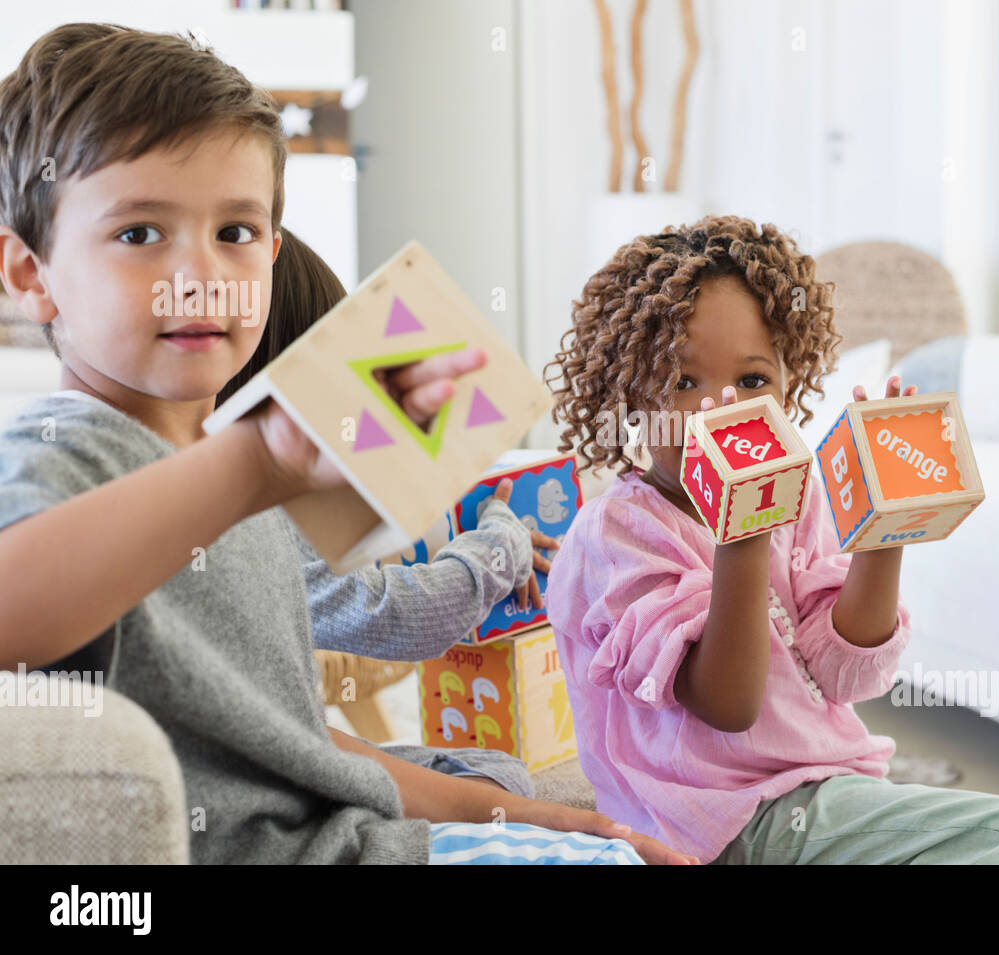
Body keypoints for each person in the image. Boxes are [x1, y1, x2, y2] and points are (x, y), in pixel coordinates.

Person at [0, 22, 697, 865]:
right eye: (141, 233)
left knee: (579, 825)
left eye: (235, 233)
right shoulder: (66, 449)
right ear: (31, 274)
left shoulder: (246, 480)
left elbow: (298, 743)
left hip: (347, 831)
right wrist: (258, 464)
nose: (203, 276)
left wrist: (513, 811)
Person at [543, 214, 999, 864]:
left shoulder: (797, 503)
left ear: (787, 383)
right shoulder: (618, 532)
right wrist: (742, 530)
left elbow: (845, 672)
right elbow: (728, 702)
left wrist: (882, 531)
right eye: (684, 382)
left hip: (821, 793)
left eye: (752, 381)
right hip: (720, 824)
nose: (724, 408)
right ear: (629, 394)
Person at [219, 226, 549, 798]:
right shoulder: (258, 508)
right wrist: (503, 538)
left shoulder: (235, 483)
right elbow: (398, 616)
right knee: (498, 781)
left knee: (493, 773)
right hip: (264, 773)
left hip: (279, 744)